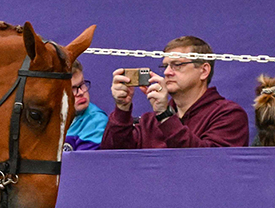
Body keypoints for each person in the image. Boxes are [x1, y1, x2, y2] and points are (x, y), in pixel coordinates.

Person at [101, 36, 248, 149]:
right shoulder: (149, 122)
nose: (167, 72)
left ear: (204, 71)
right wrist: (122, 109)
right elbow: (111, 159)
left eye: (177, 65)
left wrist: (165, 116)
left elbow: (208, 162)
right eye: (165, 66)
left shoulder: (229, 115)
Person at [64, 60, 106, 151]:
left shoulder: (97, 121)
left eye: (82, 84)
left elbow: (80, 160)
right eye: (73, 88)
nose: (81, 92)